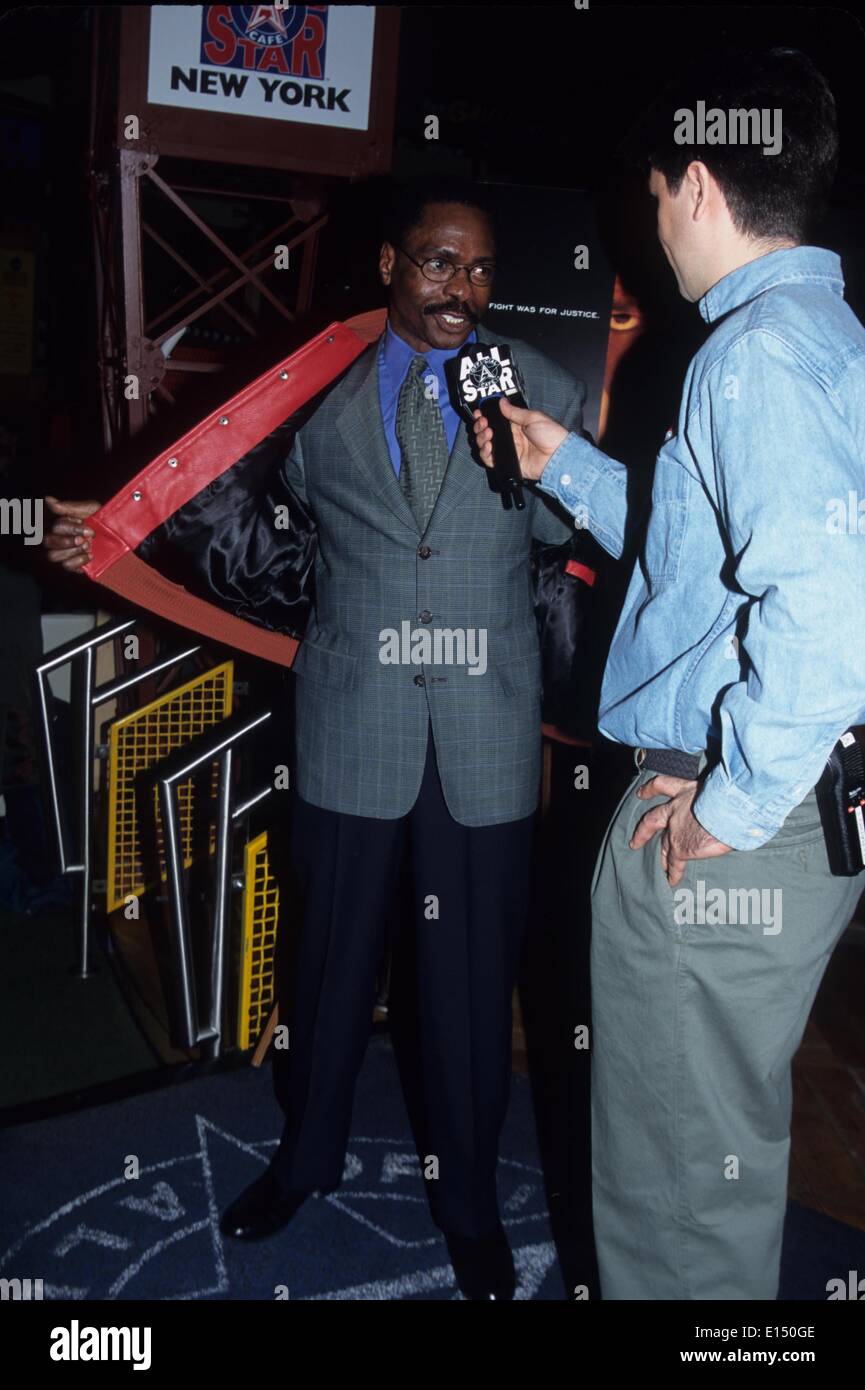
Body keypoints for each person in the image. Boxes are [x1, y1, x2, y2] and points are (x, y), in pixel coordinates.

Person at [45, 174, 586, 1299]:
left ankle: (468, 1203)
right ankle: (305, 1157)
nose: (462, 288)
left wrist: (527, 462)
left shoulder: (540, 386)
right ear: (389, 264)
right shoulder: (310, 392)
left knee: (469, 985)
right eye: (439, 262)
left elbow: (565, 545)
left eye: (481, 269)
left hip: (483, 734)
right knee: (327, 966)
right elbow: (222, 509)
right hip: (351, 718)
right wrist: (117, 527)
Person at [472, 48, 865, 1300]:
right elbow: (717, 549)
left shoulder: (749, 357)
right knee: (712, 1159)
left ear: (697, 184)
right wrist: (566, 466)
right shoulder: (826, 336)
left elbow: (827, 612)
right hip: (811, 804)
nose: (650, 230)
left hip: (736, 815)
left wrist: (726, 807)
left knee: (674, 1192)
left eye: (652, 199)